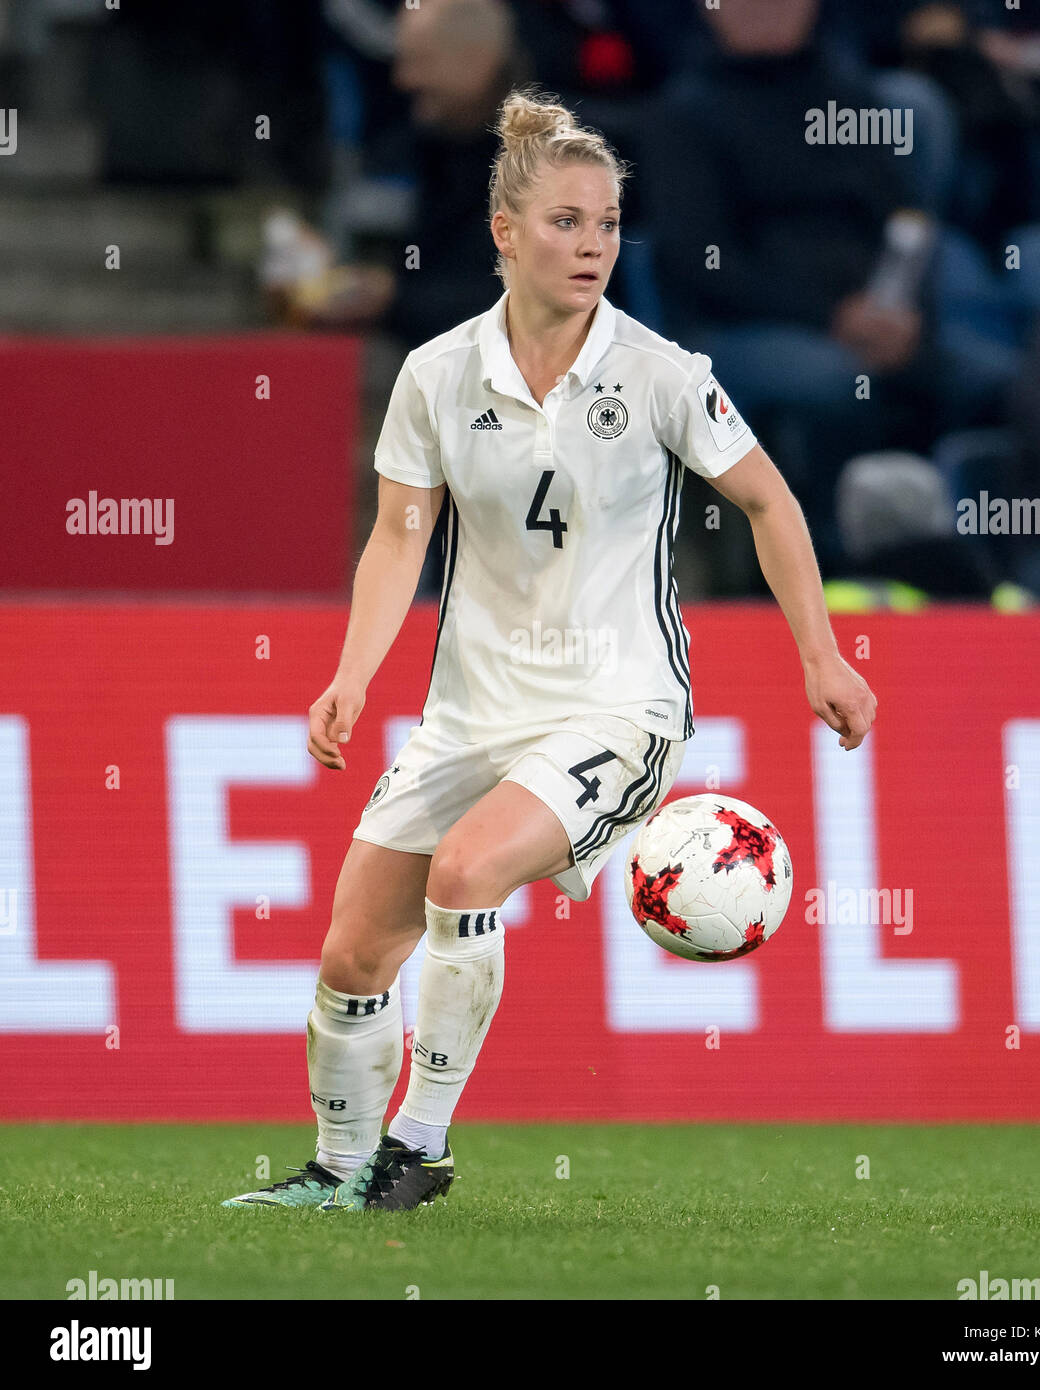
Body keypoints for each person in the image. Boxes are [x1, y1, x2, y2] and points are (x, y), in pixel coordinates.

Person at [223, 87, 876, 1213]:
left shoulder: (660, 373)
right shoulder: (435, 375)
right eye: (567, 222)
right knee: (350, 958)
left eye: (609, 223)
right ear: (503, 233)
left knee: (467, 871)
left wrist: (819, 655)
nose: (592, 246)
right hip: (470, 715)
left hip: (614, 708)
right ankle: (331, 1174)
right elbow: (397, 538)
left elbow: (769, 503)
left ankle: (416, 1149)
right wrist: (349, 673)